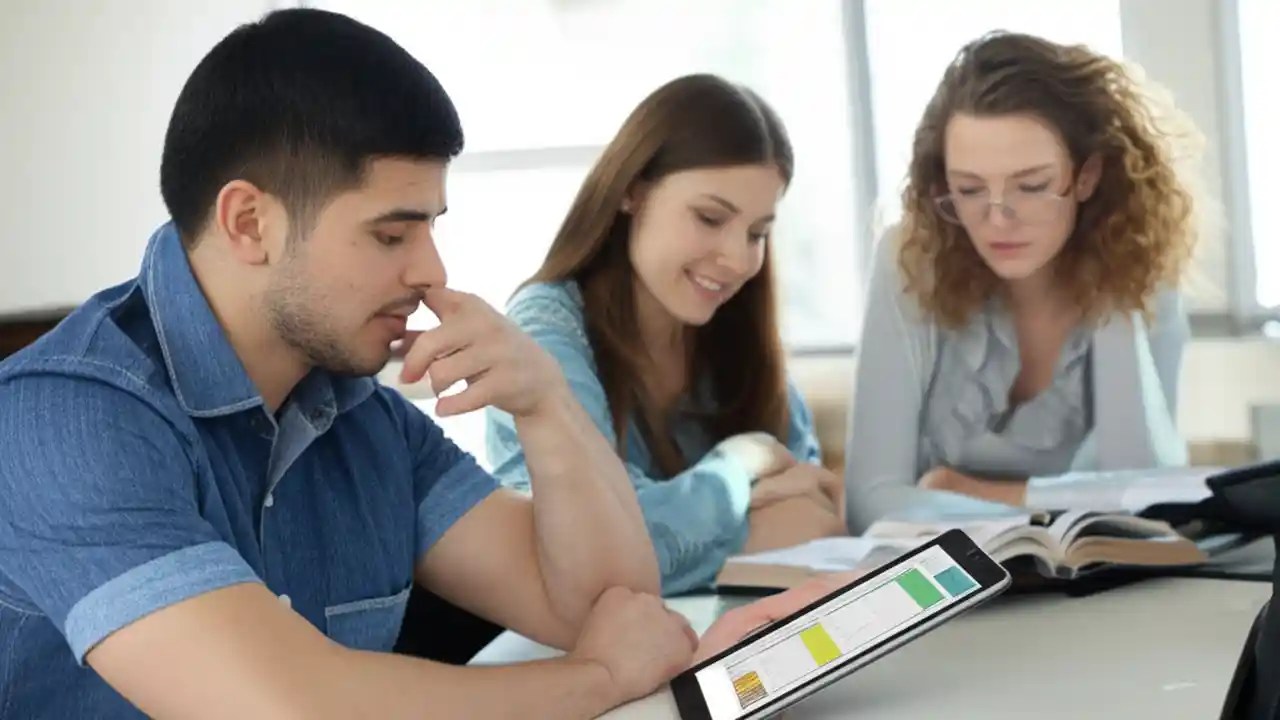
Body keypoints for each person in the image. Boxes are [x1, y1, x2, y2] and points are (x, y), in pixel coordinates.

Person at [0, 9, 699, 718]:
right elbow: (284, 707)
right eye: (391, 233)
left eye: (429, 228)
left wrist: (546, 403)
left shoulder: (362, 415)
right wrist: (600, 680)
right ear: (250, 224)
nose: (432, 271)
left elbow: (611, 610)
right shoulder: (59, 422)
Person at [485, 74, 846, 596]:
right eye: (709, 217)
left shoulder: (733, 329)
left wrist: (735, 527)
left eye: (757, 232)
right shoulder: (544, 333)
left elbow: (813, 511)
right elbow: (593, 558)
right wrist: (744, 463)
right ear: (633, 191)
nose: (740, 259)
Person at [844, 31, 1202, 533]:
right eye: (968, 189)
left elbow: (1150, 492)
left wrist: (981, 494)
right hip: (945, 579)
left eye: (1031, 186)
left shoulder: (1139, 269)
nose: (997, 219)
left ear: (1087, 177)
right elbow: (870, 502)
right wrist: (1055, 511)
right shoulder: (911, 257)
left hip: (1096, 587)